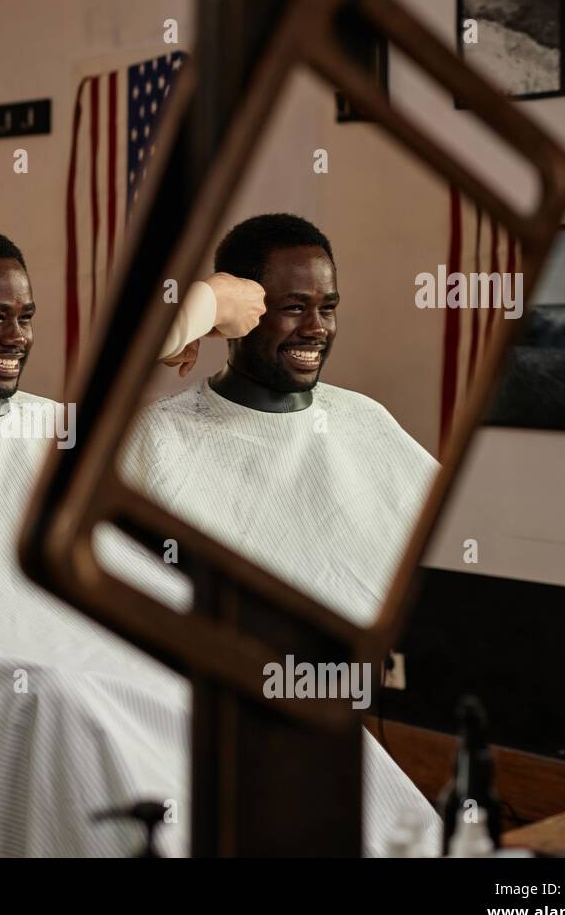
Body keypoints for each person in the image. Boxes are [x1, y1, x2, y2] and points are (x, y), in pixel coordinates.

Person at [0, 226, 439, 856]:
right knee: (60, 696)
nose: (14, 337)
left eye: (25, 318)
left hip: (90, 639)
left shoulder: (62, 432)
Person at [123, 213, 439, 626]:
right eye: (293, 307)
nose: (316, 328)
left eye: (327, 308)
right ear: (237, 315)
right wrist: (204, 305)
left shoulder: (365, 419)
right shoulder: (158, 437)